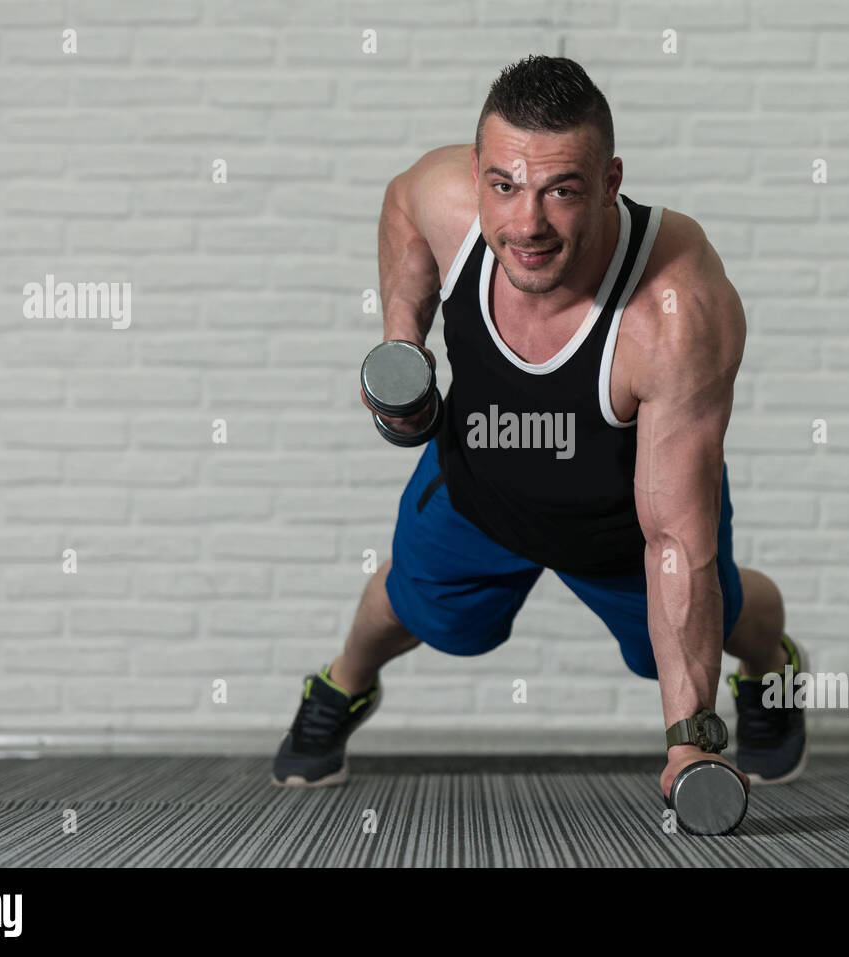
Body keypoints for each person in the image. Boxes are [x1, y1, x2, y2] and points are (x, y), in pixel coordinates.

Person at [273, 55, 808, 803]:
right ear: (476, 173)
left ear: (611, 183)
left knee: (716, 625)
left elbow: (675, 542)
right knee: (405, 603)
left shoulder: (674, 311)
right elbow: (401, 203)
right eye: (505, 185)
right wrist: (403, 344)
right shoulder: (444, 202)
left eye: (562, 190)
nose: (527, 223)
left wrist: (691, 745)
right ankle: (341, 687)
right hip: (478, 485)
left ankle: (773, 669)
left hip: (627, 528)